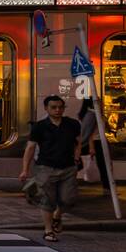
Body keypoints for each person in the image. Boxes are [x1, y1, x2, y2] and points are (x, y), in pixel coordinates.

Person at [19, 95, 82, 243]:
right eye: (53, 107)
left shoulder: (72, 124)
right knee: (47, 200)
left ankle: (57, 215)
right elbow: (30, 148)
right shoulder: (39, 126)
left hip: (68, 167)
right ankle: (48, 230)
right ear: (46, 108)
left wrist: (76, 157)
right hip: (45, 167)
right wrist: (24, 170)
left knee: (68, 199)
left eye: (60, 107)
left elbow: (78, 142)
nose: (57, 110)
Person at [79, 97, 110, 191]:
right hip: (96, 142)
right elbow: (89, 133)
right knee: (103, 165)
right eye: (99, 102)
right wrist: (91, 147)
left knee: (104, 164)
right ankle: (107, 187)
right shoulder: (92, 115)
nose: (102, 104)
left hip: (99, 141)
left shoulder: (96, 114)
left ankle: (107, 187)